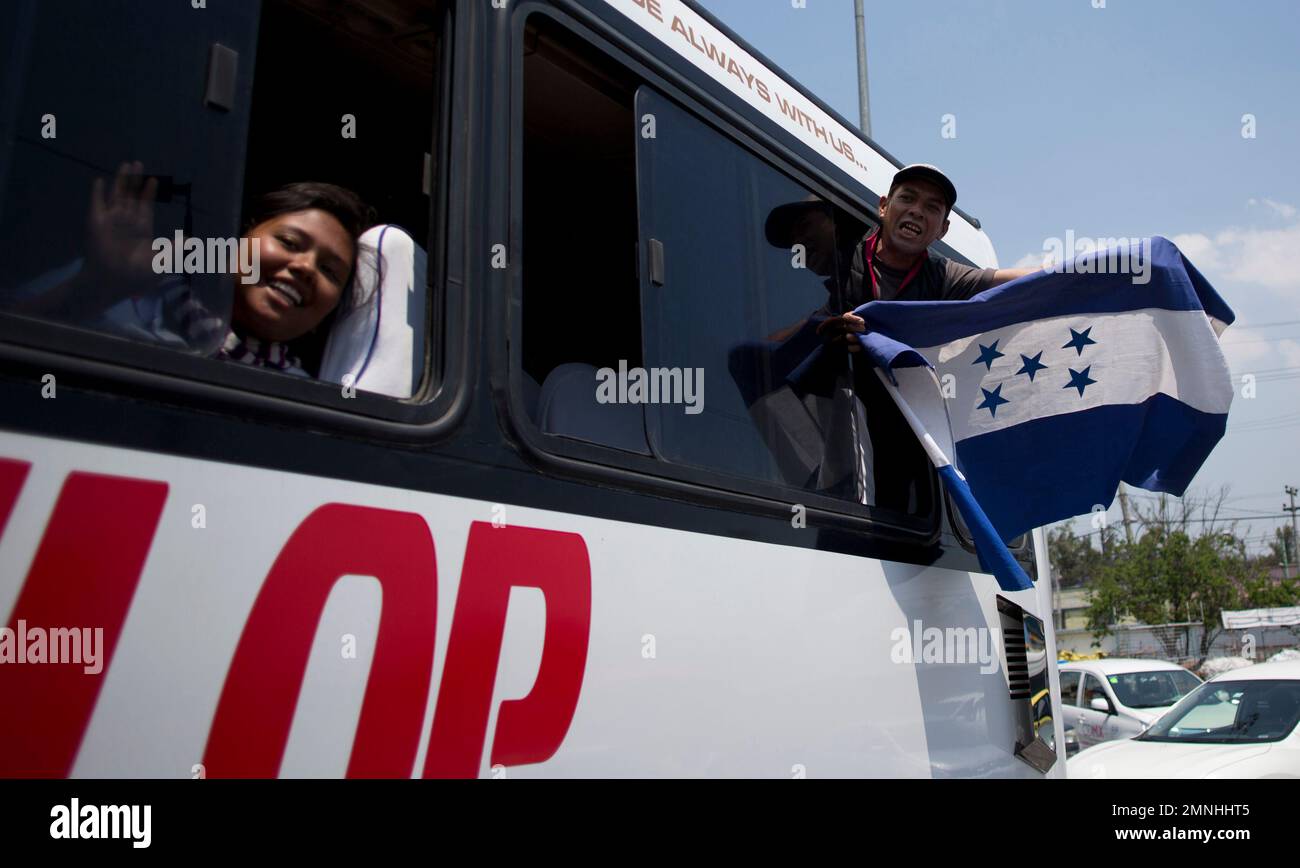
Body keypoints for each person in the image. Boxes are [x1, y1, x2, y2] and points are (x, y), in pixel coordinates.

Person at [11, 162, 375, 378]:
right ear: (238, 238)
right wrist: (98, 288)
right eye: (290, 243)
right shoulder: (125, 287)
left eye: (330, 272)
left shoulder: (307, 399)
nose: (305, 267)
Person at [819, 163, 1039, 351]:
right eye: (907, 198)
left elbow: (1027, 278)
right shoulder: (841, 250)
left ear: (942, 230)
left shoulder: (943, 275)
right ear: (884, 206)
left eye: (932, 207)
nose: (917, 211)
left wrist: (1072, 271)